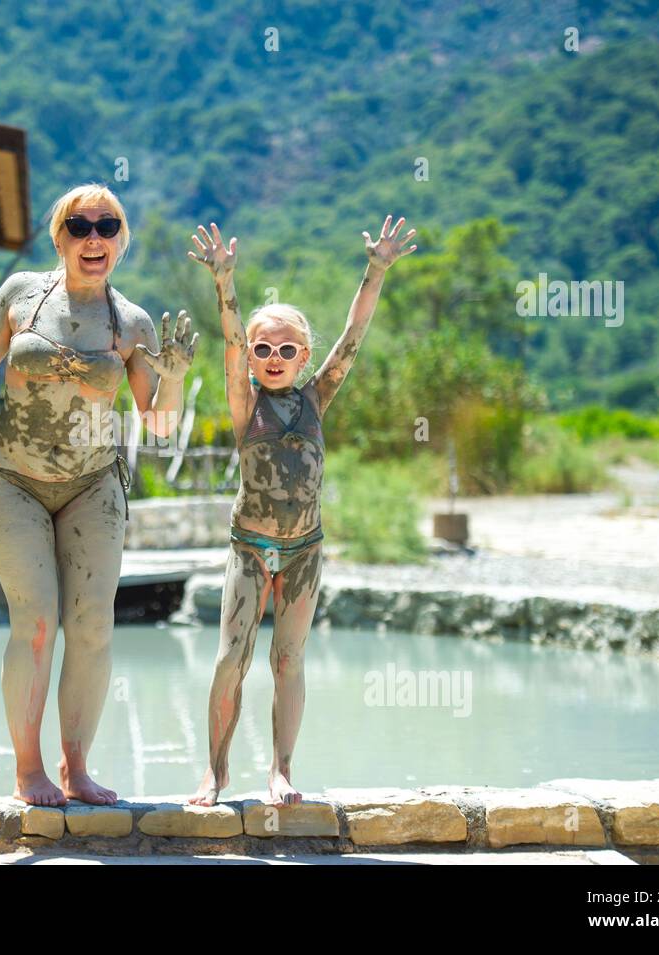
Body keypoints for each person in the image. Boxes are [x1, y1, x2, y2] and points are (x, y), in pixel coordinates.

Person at [0, 183, 198, 806]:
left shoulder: (133, 322)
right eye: (81, 225)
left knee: (91, 626)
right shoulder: (22, 297)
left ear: (121, 239)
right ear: (59, 237)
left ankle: (77, 768)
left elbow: (161, 423)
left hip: (94, 484)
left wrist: (171, 379)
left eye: (108, 226)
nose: (95, 238)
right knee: (36, 622)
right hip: (12, 480)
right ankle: (28, 770)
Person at [186, 216, 416, 806]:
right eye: (264, 348)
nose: (272, 357)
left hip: (304, 551)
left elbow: (354, 334)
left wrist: (377, 269)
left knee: (288, 659)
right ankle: (215, 771)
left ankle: (281, 770)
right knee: (229, 660)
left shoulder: (317, 395)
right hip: (249, 546)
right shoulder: (246, 401)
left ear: (303, 355)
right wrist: (225, 282)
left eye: (286, 349)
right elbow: (232, 342)